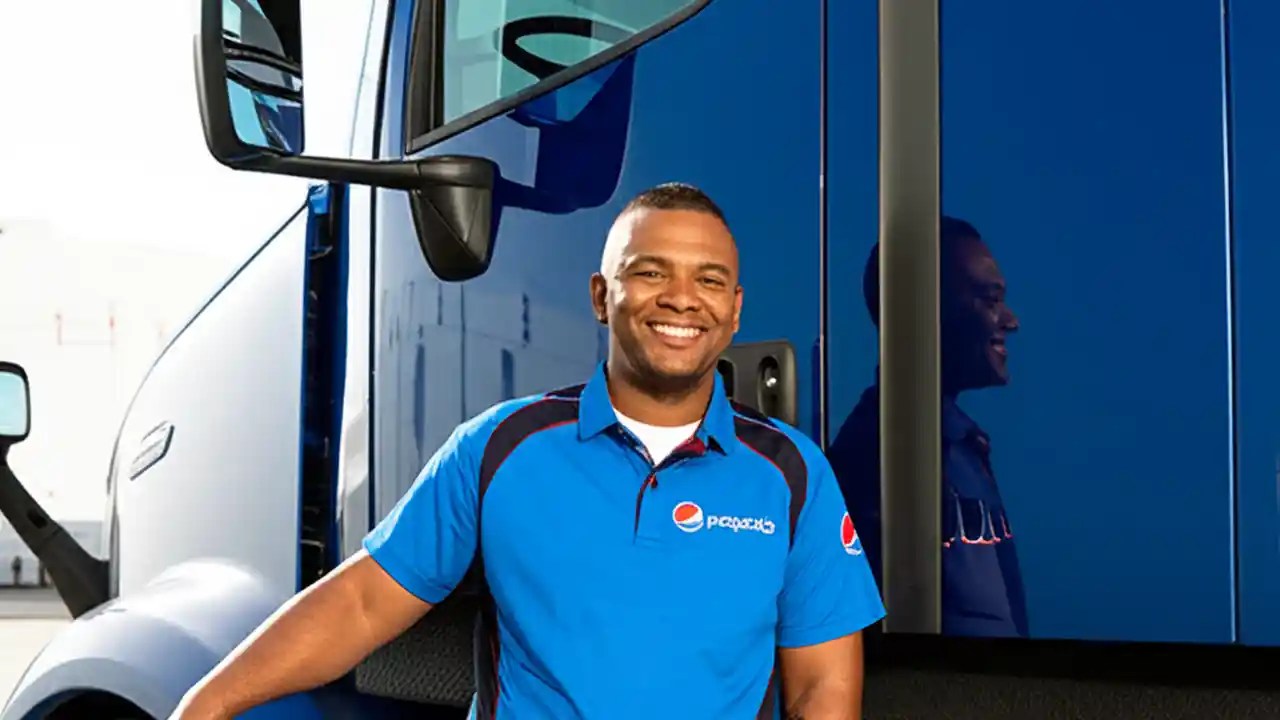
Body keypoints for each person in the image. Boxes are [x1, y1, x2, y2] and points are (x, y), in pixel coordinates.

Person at [171, 183, 885, 720]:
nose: (680, 299)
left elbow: (822, 685)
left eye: (708, 280)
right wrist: (203, 707)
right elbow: (360, 602)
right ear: (603, 296)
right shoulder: (501, 448)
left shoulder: (791, 474)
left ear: (734, 310)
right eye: (650, 272)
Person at [826, 216, 1028, 638]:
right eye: (990, 300)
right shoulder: (873, 455)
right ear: (922, 310)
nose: (1010, 321)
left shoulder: (960, 446)